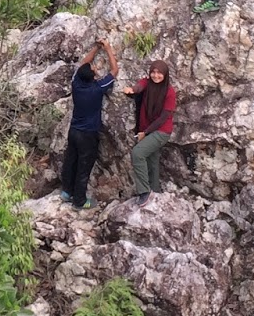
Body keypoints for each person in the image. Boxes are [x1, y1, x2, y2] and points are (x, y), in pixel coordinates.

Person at [61, 39, 117, 209]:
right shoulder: (97, 89)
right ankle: (79, 201)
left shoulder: (76, 84)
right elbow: (114, 71)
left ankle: (66, 192)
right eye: (94, 70)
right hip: (88, 135)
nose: (95, 69)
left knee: (71, 160)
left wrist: (95, 48)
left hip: (74, 131)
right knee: (84, 167)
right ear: (93, 77)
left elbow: (83, 64)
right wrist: (107, 49)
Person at [118, 60, 175, 201]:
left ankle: (144, 191)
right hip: (148, 129)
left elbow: (164, 117)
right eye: (153, 72)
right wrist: (132, 90)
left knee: (137, 153)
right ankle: (155, 190)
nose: (156, 75)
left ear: (165, 74)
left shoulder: (170, 92)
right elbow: (140, 86)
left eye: (159, 73)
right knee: (152, 160)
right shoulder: (147, 83)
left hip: (161, 131)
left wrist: (146, 132)